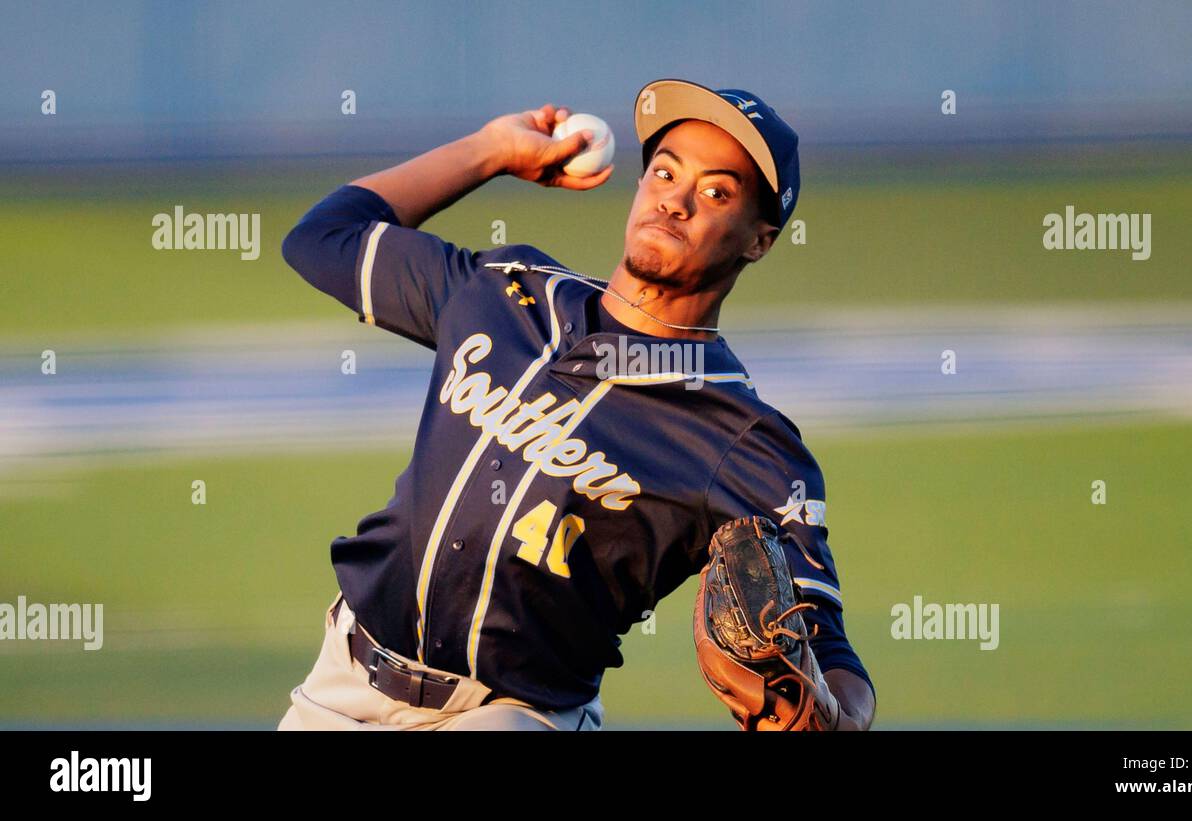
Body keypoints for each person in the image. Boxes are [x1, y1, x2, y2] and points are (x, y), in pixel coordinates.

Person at [277, 78, 875, 730]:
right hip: (342, 683)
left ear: (758, 239)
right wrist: (490, 152)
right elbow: (322, 237)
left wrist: (837, 715)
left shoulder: (744, 442)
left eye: (715, 191)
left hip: (512, 714)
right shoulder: (504, 292)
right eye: (665, 172)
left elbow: (834, 653)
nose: (675, 199)